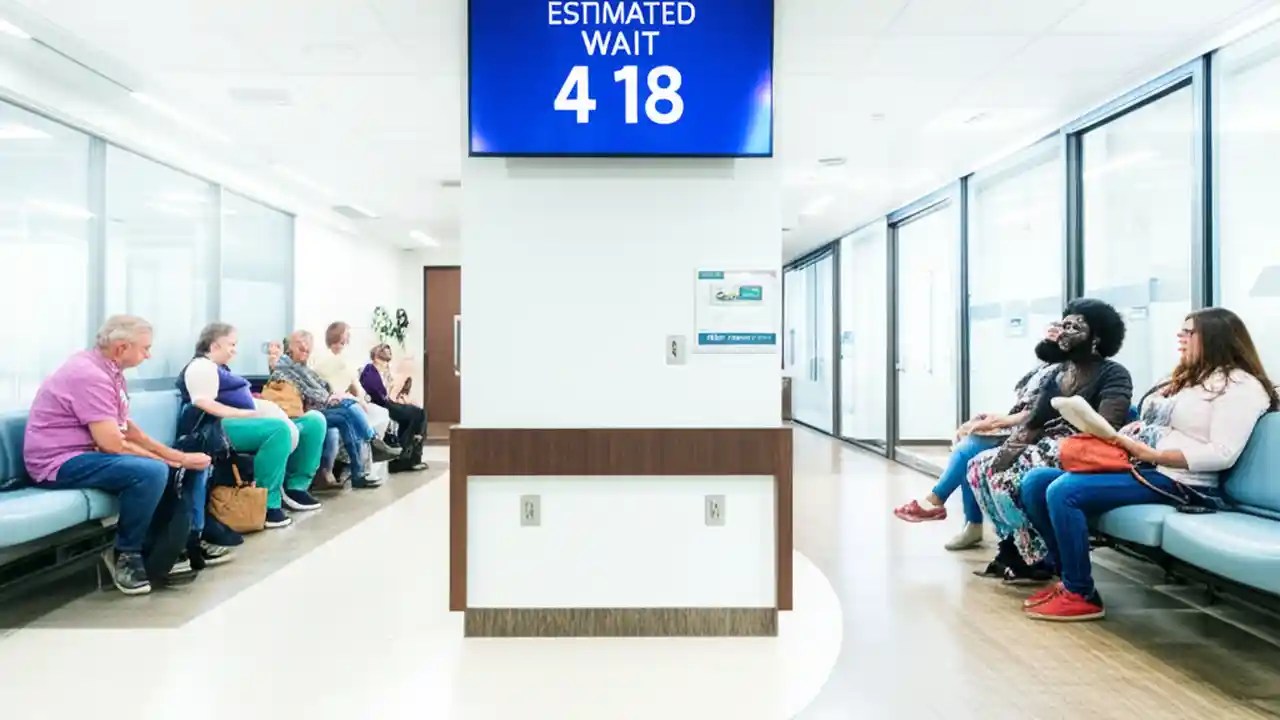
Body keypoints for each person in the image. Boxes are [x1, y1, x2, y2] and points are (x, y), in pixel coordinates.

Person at [1019, 308, 1277, 621]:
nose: (1180, 338)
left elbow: (1221, 453)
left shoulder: (1240, 387)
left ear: (1215, 337)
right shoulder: (1189, 378)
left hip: (1183, 483)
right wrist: (1132, 434)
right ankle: (1067, 578)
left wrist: (1154, 455)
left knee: (1064, 491)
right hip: (1147, 469)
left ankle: (1081, 593)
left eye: (1188, 332)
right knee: (1036, 482)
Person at [23, 315, 212, 596]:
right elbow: (112, 444)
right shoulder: (89, 375)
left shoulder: (111, 373)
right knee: (151, 471)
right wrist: (169, 459)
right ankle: (127, 554)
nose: (149, 355)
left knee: (170, 468)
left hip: (88, 454)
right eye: (145, 348)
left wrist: (175, 457)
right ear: (122, 347)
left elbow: (128, 430)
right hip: (58, 462)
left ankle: (165, 550)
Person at [967, 299, 1133, 583]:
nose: (1064, 332)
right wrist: (1011, 449)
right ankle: (1014, 546)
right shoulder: (1059, 371)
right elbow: (1034, 420)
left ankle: (1036, 556)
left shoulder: (1113, 373)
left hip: (1081, 447)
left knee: (1009, 478)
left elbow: (1107, 427)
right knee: (979, 467)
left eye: (1074, 327)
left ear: (1097, 337)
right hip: (1046, 443)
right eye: (1064, 325)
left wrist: (1057, 429)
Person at [894, 322, 1063, 550]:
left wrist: (1002, 421)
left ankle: (941, 503)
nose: (1053, 329)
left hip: (1042, 436)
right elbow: (1027, 406)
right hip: (1024, 427)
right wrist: (993, 418)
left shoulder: (1067, 371)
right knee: (970, 444)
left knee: (971, 449)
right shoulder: (1044, 367)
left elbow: (1044, 412)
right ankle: (966, 522)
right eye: (1053, 325)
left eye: (1063, 326)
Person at [179, 322, 328, 531]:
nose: (235, 350)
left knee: (314, 421)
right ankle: (268, 503)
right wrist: (245, 413)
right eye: (231, 344)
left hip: (237, 420)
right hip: (215, 428)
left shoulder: (219, 368)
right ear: (214, 346)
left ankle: (296, 486)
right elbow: (202, 402)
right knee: (278, 430)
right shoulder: (201, 366)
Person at [271, 330, 388, 488]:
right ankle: (369, 450)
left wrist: (334, 396)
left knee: (349, 408)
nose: (304, 353)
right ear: (291, 347)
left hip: (315, 407)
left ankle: (364, 462)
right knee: (347, 412)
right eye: (301, 349)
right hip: (304, 413)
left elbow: (320, 387)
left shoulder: (302, 367)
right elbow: (307, 392)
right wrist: (329, 398)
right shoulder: (285, 368)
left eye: (307, 350)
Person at [311, 321, 397, 456]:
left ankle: (373, 453)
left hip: (348, 398)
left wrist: (362, 398)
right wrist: (355, 398)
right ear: (339, 335)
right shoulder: (325, 358)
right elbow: (330, 387)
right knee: (356, 412)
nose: (349, 336)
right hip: (332, 401)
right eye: (347, 333)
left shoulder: (345, 357)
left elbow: (355, 382)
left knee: (380, 412)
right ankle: (372, 445)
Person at [360, 343, 427, 473]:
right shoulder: (369, 371)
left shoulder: (378, 372)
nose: (386, 364)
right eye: (384, 360)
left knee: (416, 415)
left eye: (387, 360)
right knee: (417, 414)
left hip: (385, 403)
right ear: (375, 358)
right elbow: (378, 395)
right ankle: (409, 457)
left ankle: (407, 456)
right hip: (381, 405)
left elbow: (384, 394)